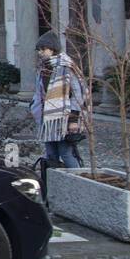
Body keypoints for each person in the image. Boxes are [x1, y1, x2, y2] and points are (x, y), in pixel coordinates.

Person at [30, 31, 86, 168]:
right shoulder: (43, 68)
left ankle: (77, 182)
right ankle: (53, 184)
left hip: (64, 119)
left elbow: (77, 93)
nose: (40, 52)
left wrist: (73, 119)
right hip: (48, 119)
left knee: (66, 153)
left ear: (52, 48)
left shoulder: (65, 66)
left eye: (43, 49)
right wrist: (33, 106)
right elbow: (40, 91)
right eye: (39, 49)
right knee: (50, 154)